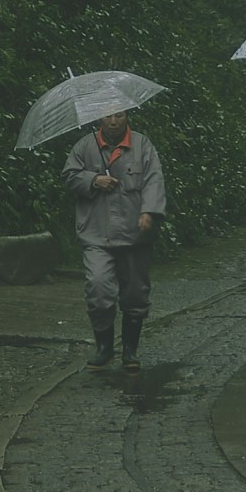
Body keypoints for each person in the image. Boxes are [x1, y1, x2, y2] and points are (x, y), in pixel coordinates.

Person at [65, 104, 168, 370]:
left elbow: (154, 180)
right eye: (108, 115)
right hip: (96, 233)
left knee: (136, 294)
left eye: (119, 115)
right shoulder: (85, 146)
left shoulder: (143, 145)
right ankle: (105, 348)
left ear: (127, 116)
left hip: (136, 234)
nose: (113, 121)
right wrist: (93, 180)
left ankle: (130, 351)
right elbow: (69, 177)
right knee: (98, 288)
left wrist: (149, 212)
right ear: (100, 116)